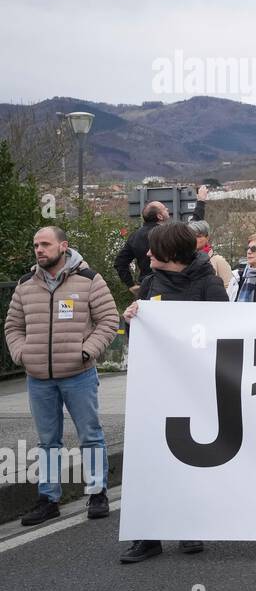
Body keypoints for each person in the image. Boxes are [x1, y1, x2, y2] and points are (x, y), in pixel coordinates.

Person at [118, 220, 228, 562]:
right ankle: (146, 536)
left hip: (195, 392)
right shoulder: (150, 283)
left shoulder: (209, 285)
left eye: (154, 248)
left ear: (172, 252)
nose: (147, 253)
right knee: (147, 463)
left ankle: (190, 526)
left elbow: (227, 335)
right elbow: (139, 338)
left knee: (189, 463)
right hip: (154, 389)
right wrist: (130, 319)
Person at [5, 227, 119, 527]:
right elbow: (13, 327)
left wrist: (86, 351)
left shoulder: (89, 279)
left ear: (63, 246)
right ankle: (48, 499)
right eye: (35, 245)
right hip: (38, 377)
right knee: (47, 442)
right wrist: (22, 355)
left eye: (45, 244)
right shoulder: (25, 285)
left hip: (79, 375)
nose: (39, 249)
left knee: (91, 436)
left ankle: (97, 493)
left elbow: (108, 320)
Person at [189, 220, 232, 289]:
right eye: (191, 236)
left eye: (198, 236)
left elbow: (229, 287)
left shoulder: (218, 260)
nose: (194, 239)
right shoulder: (184, 259)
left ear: (207, 238)